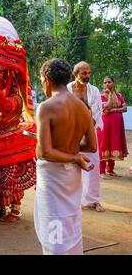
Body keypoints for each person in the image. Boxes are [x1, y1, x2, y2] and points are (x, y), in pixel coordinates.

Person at [35, 58, 97, 255]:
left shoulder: (46, 107)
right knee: (69, 219)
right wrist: (72, 151)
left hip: (53, 177)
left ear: (47, 80)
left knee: (54, 221)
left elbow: (46, 152)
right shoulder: (82, 108)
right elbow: (92, 146)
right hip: (71, 178)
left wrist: (74, 157)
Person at [67, 61, 104, 212]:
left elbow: (97, 111)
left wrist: (86, 131)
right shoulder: (67, 89)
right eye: (84, 73)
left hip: (89, 132)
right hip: (70, 132)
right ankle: (72, 201)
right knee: (71, 166)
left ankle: (94, 200)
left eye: (89, 73)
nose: (87, 76)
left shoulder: (94, 90)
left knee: (93, 166)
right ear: (75, 74)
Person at [98, 76, 128, 177]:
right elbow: (106, 108)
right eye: (105, 82)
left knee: (114, 144)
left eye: (109, 82)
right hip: (105, 125)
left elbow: (125, 108)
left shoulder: (119, 95)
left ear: (113, 83)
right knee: (104, 144)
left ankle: (110, 170)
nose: (107, 84)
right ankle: (102, 171)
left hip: (117, 126)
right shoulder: (101, 96)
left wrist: (115, 110)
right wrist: (110, 95)